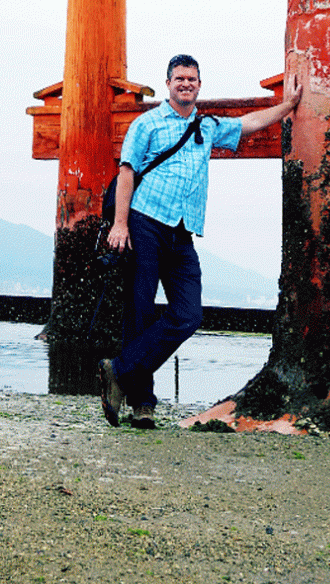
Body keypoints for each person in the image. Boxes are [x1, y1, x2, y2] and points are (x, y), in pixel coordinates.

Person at [99, 52, 302, 429]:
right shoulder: (147, 124)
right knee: (140, 314)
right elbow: (126, 172)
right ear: (168, 84)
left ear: (199, 85)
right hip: (145, 223)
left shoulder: (207, 127)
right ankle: (143, 404)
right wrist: (120, 224)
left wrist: (287, 105)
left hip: (182, 231)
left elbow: (249, 123)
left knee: (189, 315)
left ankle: (120, 371)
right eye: (179, 79)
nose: (185, 84)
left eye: (191, 79)